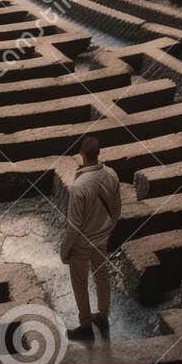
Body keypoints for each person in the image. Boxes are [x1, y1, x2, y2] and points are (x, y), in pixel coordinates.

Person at [60, 135, 120, 341]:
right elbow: (116, 209)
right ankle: (103, 317)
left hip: (82, 242)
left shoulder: (79, 187)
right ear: (99, 152)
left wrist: (65, 249)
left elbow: (74, 226)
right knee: (102, 276)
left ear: (81, 155)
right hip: (101, 238)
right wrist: (106, 231)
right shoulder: (112, 175)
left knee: (80, 282)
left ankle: (85, 325)